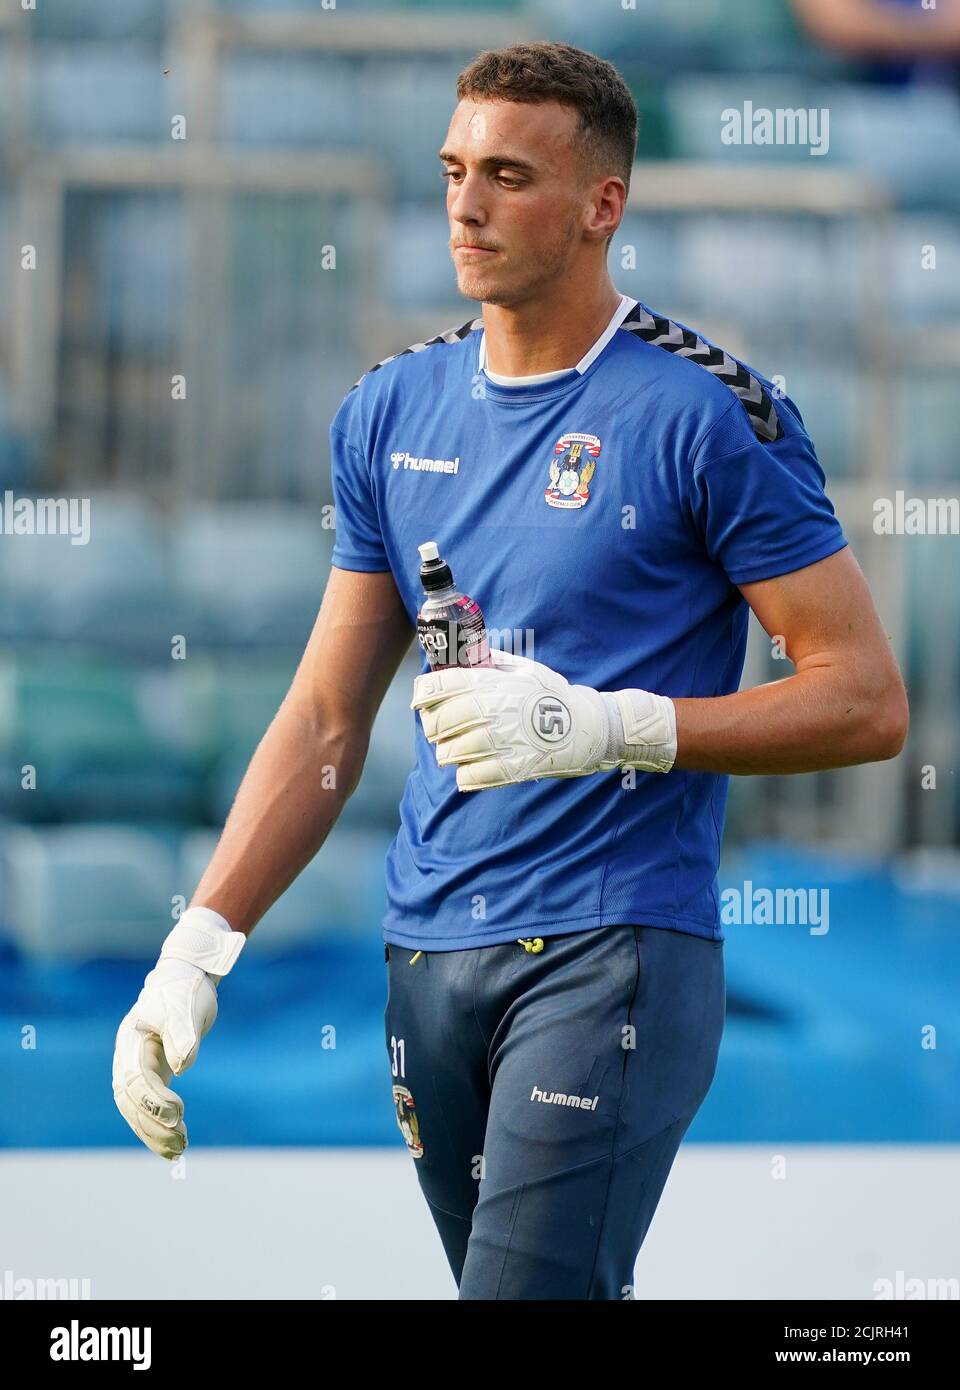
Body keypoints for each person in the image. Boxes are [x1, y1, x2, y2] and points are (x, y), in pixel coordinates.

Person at [112, 41, 909, 1300]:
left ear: (604, 205)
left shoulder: (710, 413)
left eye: (508, 175)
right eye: (452, 171)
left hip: (611, 950)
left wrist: (615, 729)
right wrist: (197, 945)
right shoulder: (389, 410)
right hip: (426, 953)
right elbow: (328, 714)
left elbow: (867, 699)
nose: (466, 207)